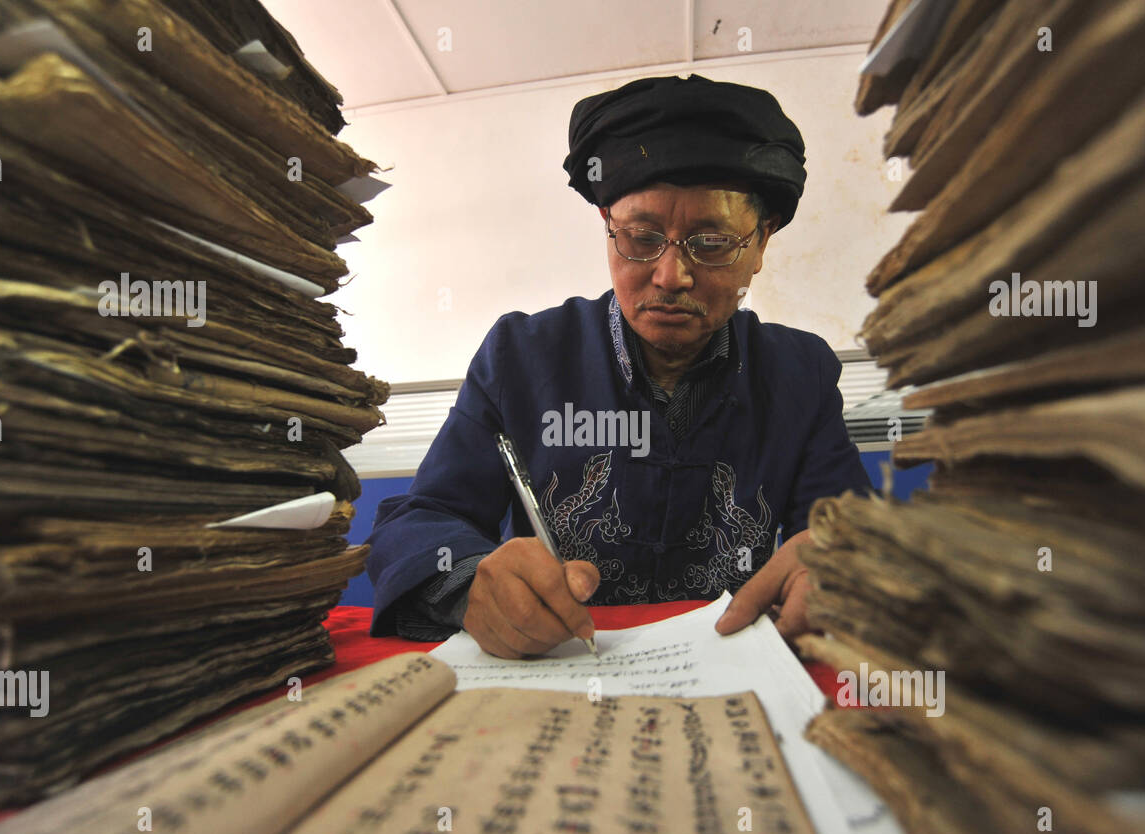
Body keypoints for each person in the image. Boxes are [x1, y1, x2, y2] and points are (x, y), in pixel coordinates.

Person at [365, 73, 871, 658]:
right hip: (560, 671)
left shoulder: (799, 373)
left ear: (760, 244)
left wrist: (840, 562)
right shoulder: (521, 357)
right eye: (641, 237)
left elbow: (846, 528)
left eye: (710, 243)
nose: (670, 276)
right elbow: (421, 517)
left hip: (734, 671)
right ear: (607, 226)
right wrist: (468, 584)